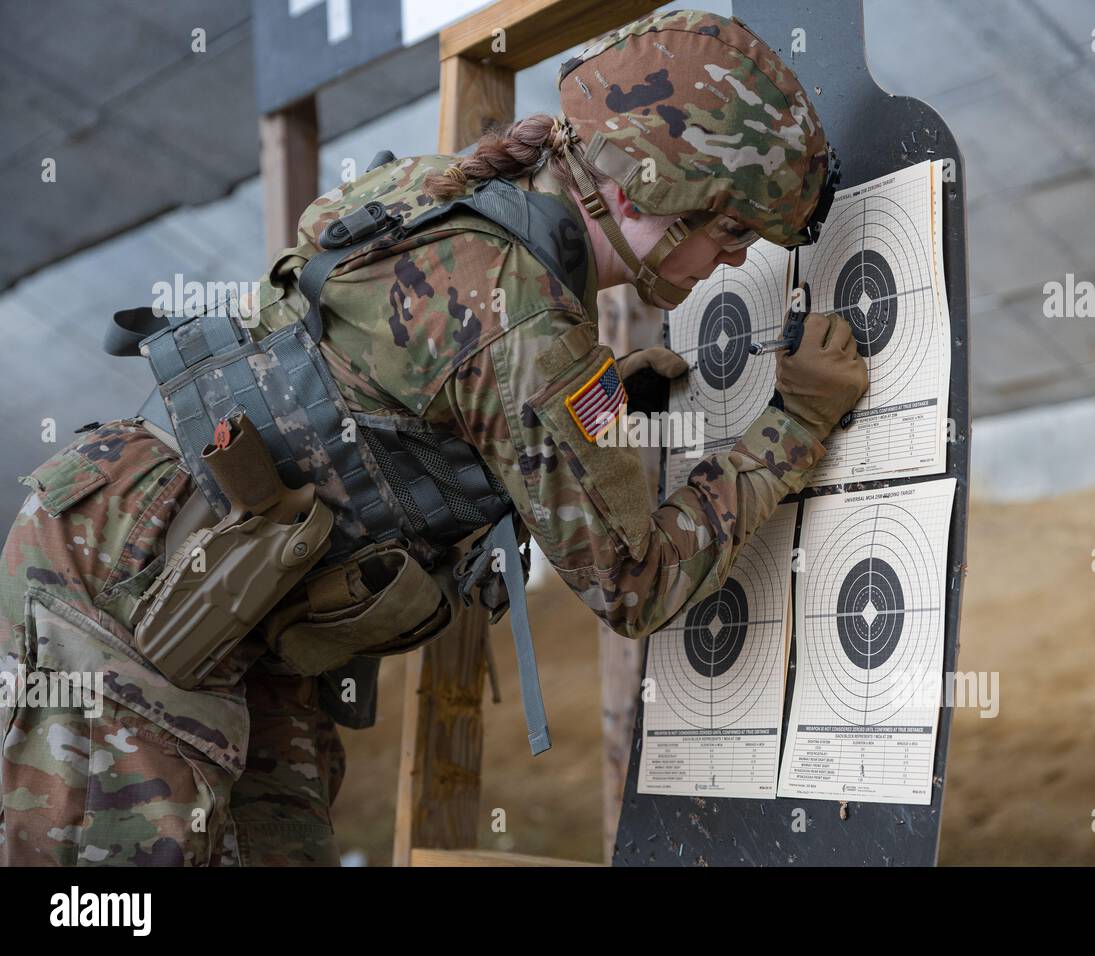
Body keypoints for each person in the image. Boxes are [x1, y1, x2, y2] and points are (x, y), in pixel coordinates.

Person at [0, 10, 867, 866]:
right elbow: (637, 584)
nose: (732, 260)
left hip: (216, 583)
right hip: (128, 588)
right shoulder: (525, 332)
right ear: (649, 196)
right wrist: (793, 426)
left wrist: (597, 404)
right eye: (732, 229)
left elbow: (434, 390)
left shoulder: (465, 198)